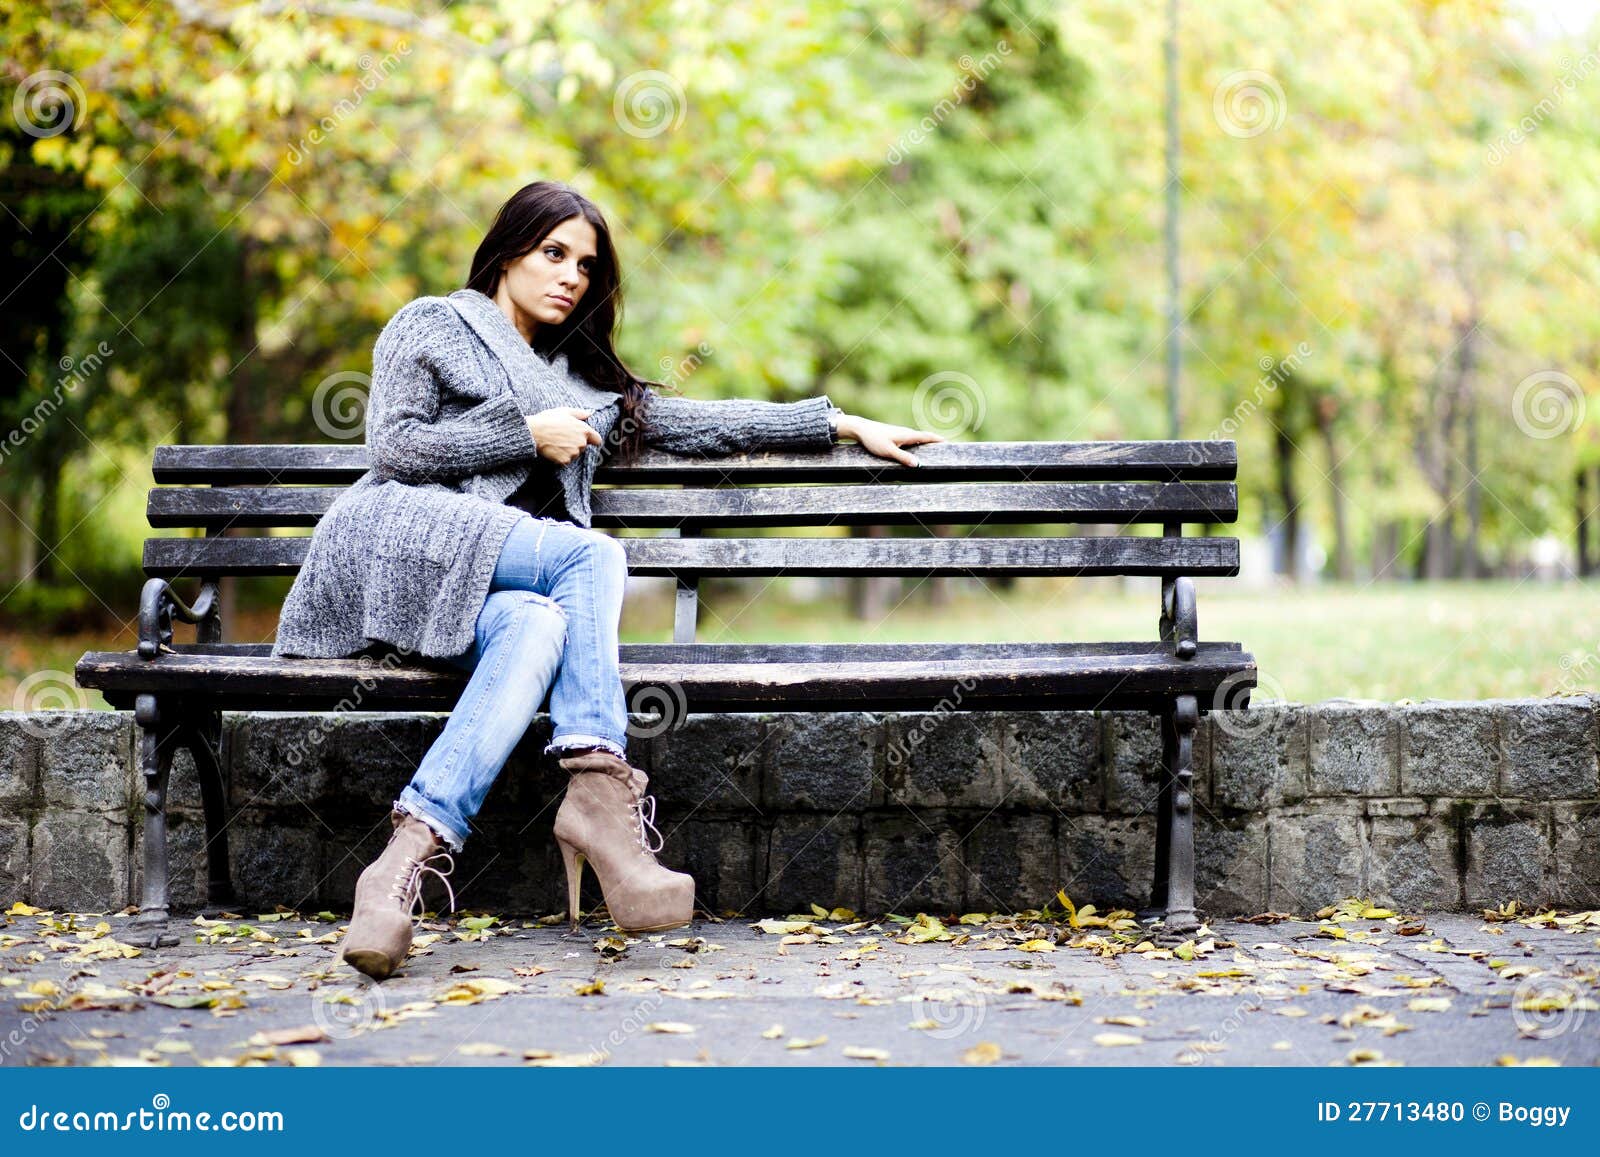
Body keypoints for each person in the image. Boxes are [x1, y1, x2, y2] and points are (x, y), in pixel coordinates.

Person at [270, 180, 945, 980]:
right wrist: (522, 433)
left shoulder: (588, 389)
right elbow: (394, 447)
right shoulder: (435, 323)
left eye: (587, 266)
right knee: (589, 555)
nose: (572, 276)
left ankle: (400, 865)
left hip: (479, 590)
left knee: (542, 626)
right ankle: (597, 783)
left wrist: (841, 423)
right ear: (507, 251)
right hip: (400, 545)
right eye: (554, 253)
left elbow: (704, 423)